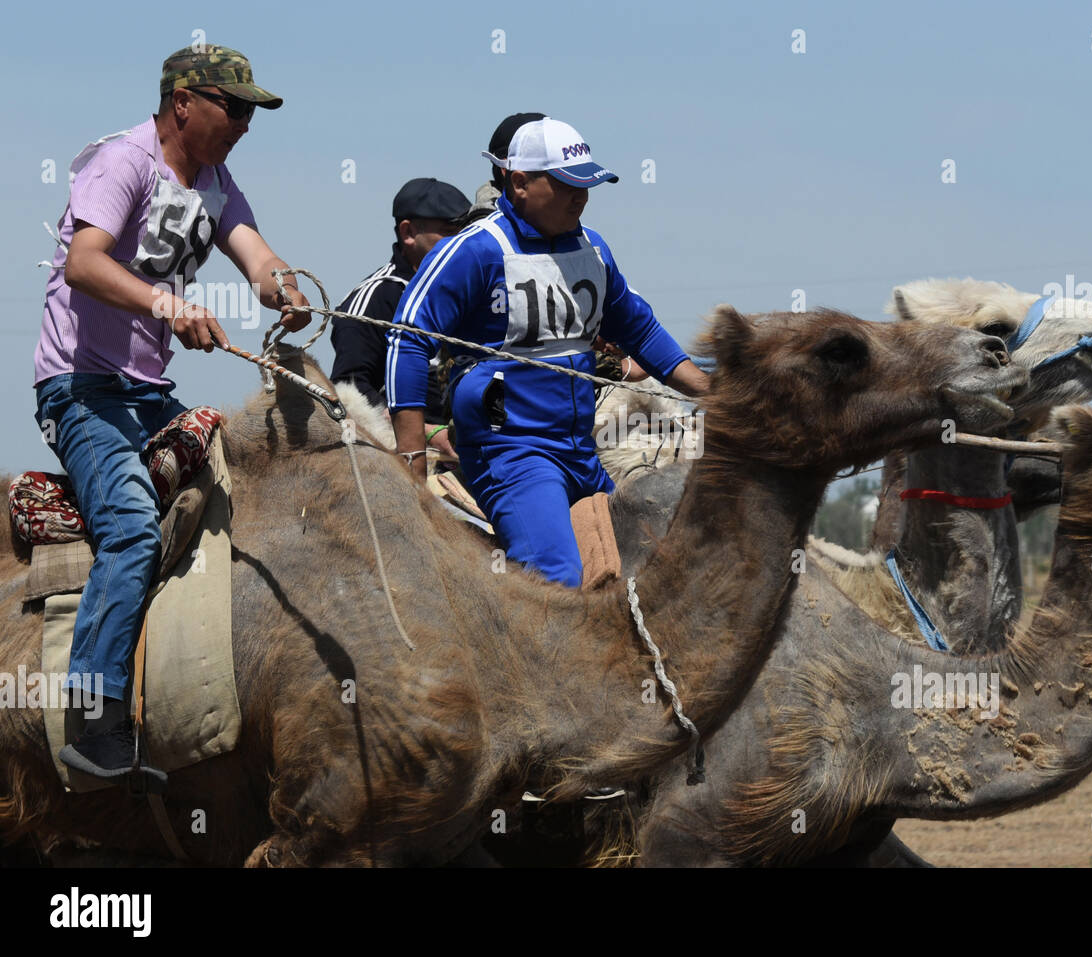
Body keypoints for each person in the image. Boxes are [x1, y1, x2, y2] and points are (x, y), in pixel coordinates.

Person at [33, 45, 311, 783]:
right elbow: (83, 263)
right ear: (183, 102)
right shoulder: (123, 161)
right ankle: (93, 726)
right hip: (80, 389)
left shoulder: (217, 184)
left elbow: (258, 259)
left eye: (253, 110)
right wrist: (170, 304)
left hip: (147, 394)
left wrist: (287, 288)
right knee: (129, 528)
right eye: (235, 105)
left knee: (238, 492)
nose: (246, 122)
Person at [386, 118, 709, 587]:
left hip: (581, 451)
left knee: (654, 571)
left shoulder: (594, 249)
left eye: (588, 185)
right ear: (519, 183)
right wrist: (411, 457)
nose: (582, 196)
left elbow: (639, 329)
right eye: (566, 184)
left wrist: (712, 391)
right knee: (558, 579)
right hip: (512, 454)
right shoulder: (474, 251)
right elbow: (407, 339)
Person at [330, 178, 471, 461]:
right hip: (411, 458)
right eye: (449, 233)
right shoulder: (375, 299)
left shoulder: (471, 290)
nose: (461, 245)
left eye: (465, 234)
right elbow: (351, 390)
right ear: (408, 232)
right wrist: (428, 432)